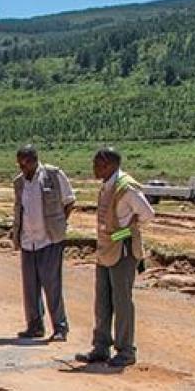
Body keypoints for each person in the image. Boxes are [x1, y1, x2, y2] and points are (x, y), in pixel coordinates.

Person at [79, 147, 153, 367]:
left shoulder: (126, 187)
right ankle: (101, 347)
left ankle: (125, 350)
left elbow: (148, 214)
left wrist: (122, 233)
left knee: (122, 302)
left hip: (122, 252)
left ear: (109, 165)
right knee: (102, 300)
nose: (94, 168)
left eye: (97, 164)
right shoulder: (106, 186)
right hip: (105, 249)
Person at [10, 145, 77, 341]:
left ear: (35, 159)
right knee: (30, 287)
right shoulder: (19, 183)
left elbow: (69, 201)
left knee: (52, 284)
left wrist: (59, 224)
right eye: (20, 163)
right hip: (27, 241)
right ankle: (35, 326)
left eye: (26, 162)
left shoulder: (53, 175)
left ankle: (60, 327)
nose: (23, 167)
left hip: (49, 240)